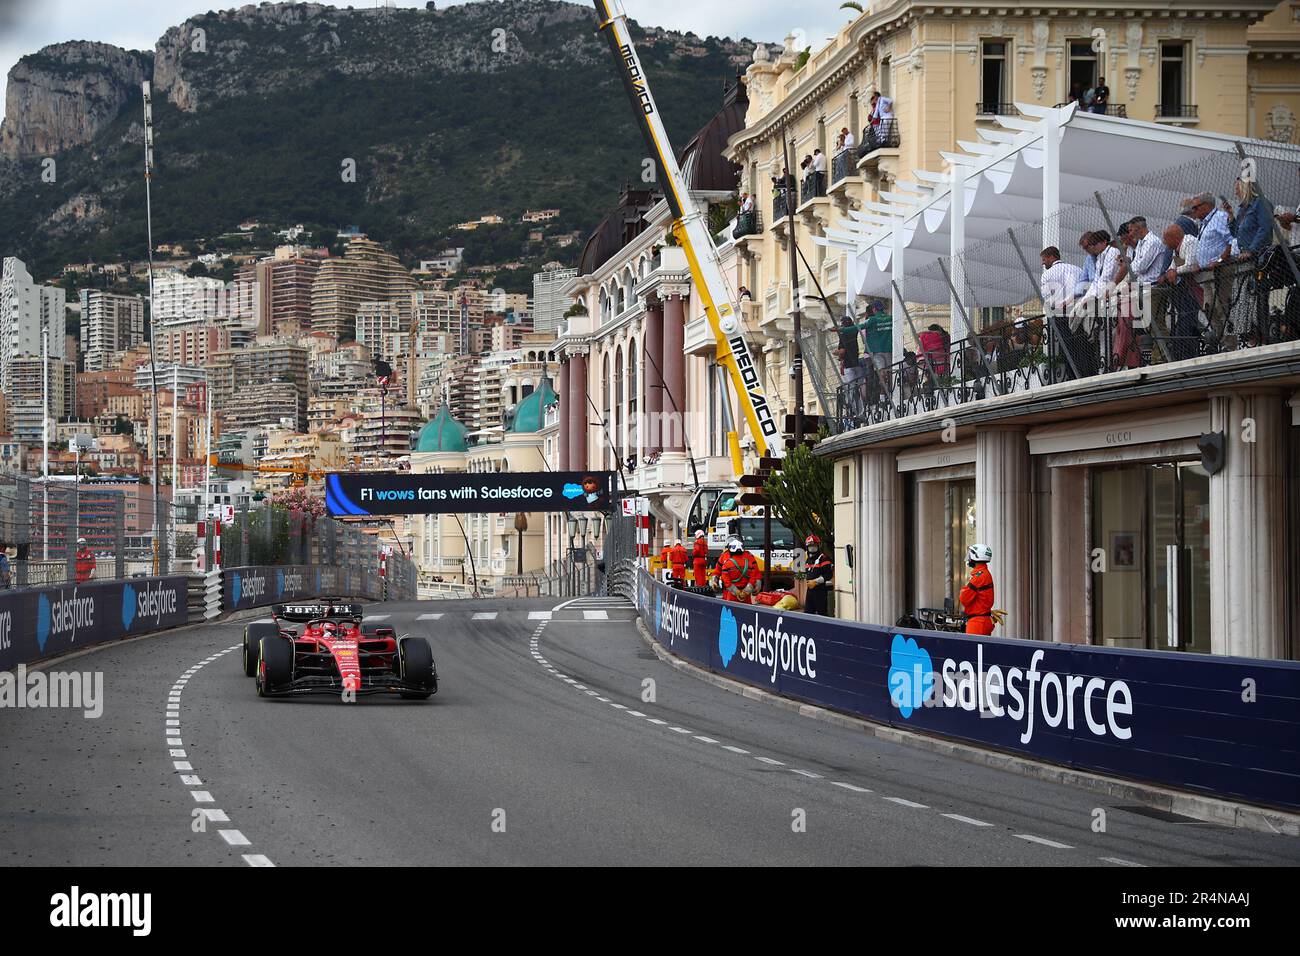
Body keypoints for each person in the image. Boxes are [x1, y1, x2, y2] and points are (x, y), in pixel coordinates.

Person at [1185, 192, 1235, 342]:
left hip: (1219, 270)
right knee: (1209, 308)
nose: (1193, 211)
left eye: (1195, 207)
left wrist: (1219, 260)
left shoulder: (1219, 217)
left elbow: (1231, 241)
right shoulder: (1203, 223)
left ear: (1206, 205)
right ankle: (1221, 341)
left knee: (1221, 306)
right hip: (1206, 273)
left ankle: (1231, 342)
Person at [1158, 223, 1202, 361]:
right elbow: (1172, 267)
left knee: (1194, 319)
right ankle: (1183, 353)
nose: (1164, 243)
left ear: (1173, 238)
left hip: (1199, 286)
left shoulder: (1189, 242)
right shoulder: (1177, 249)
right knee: (1184, 321)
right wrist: (1172, 271)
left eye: (1166, 239)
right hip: (1188, 289)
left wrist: (1174, 271)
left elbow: (1191, 265)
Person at [958, 544, 995, 636]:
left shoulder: (979, 576)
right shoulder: (984, 573)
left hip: (977, 622)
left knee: (972, 649)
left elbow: (964, 598)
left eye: (970, 555)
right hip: (982, 619)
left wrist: (962, 591)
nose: (968, 558)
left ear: (976, 556)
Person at [713, 536, 761, 604]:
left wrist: (758, 585)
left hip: (732, 590)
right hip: (731, 591)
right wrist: (714, 581)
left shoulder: (748, 555)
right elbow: (717, 571)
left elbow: (756, 572)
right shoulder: (724, 555)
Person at [803, 534, 833, 616]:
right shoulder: (808, 560)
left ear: (818, 546)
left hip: (820, 591)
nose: (812, 548)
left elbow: (828, 575)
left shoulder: (824, 559)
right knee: (807, 613)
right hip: (810, 590)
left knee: (821, 612)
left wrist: (816, 582)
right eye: (810, 546)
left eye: (814, 545)